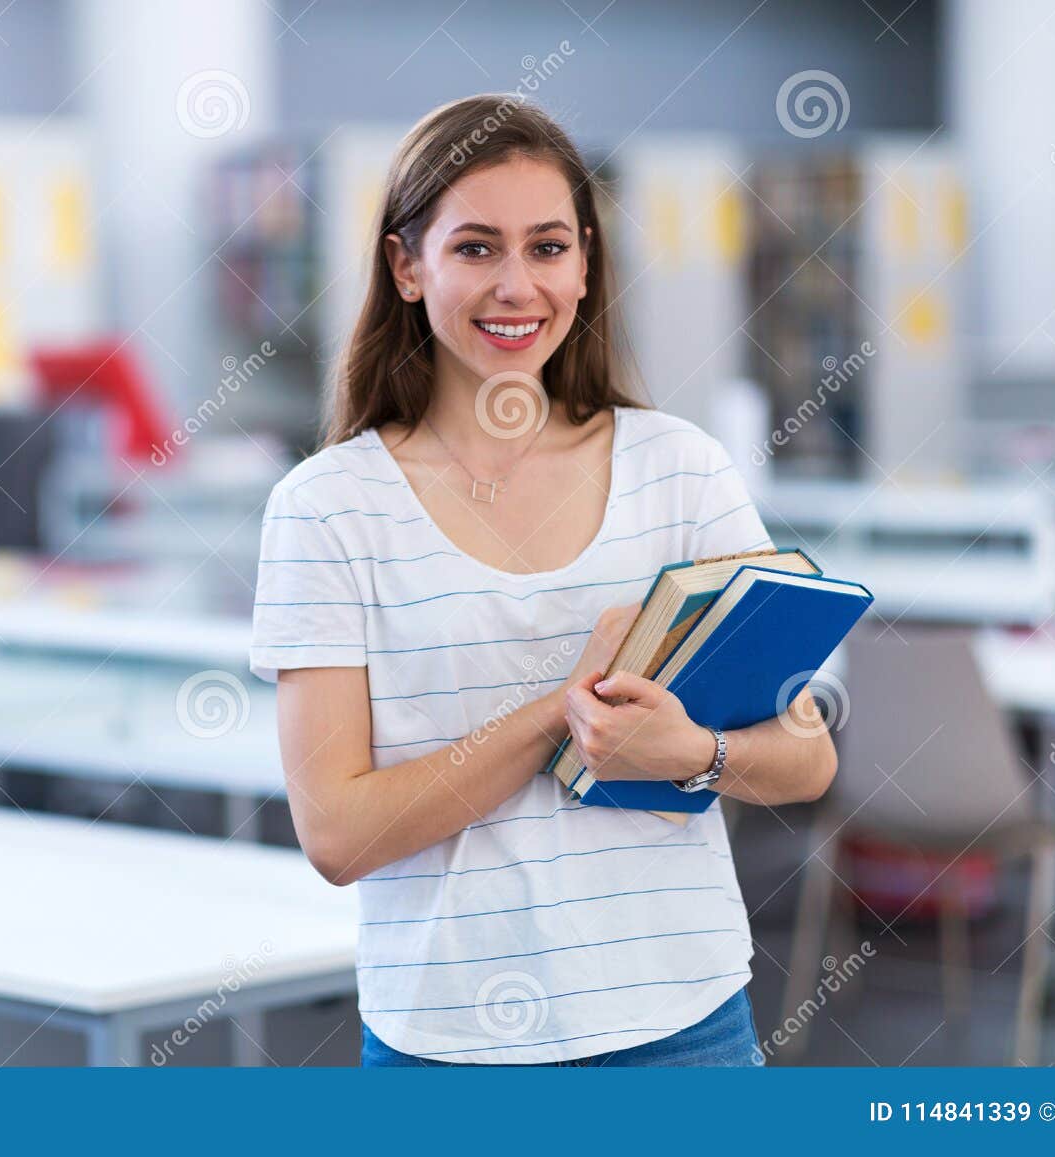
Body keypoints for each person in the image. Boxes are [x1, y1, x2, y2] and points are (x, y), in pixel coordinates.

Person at [248, 94, 836, 1067]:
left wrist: (689, 746)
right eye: (475, 248)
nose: (516, 284)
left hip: (686, 1028)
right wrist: (562, 712)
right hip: (447, 1044)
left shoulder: (679, 468)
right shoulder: (326, 507)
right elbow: (338, 834)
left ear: (586, 264)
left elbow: (806, 754)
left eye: (548, 247)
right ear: (406, 265)